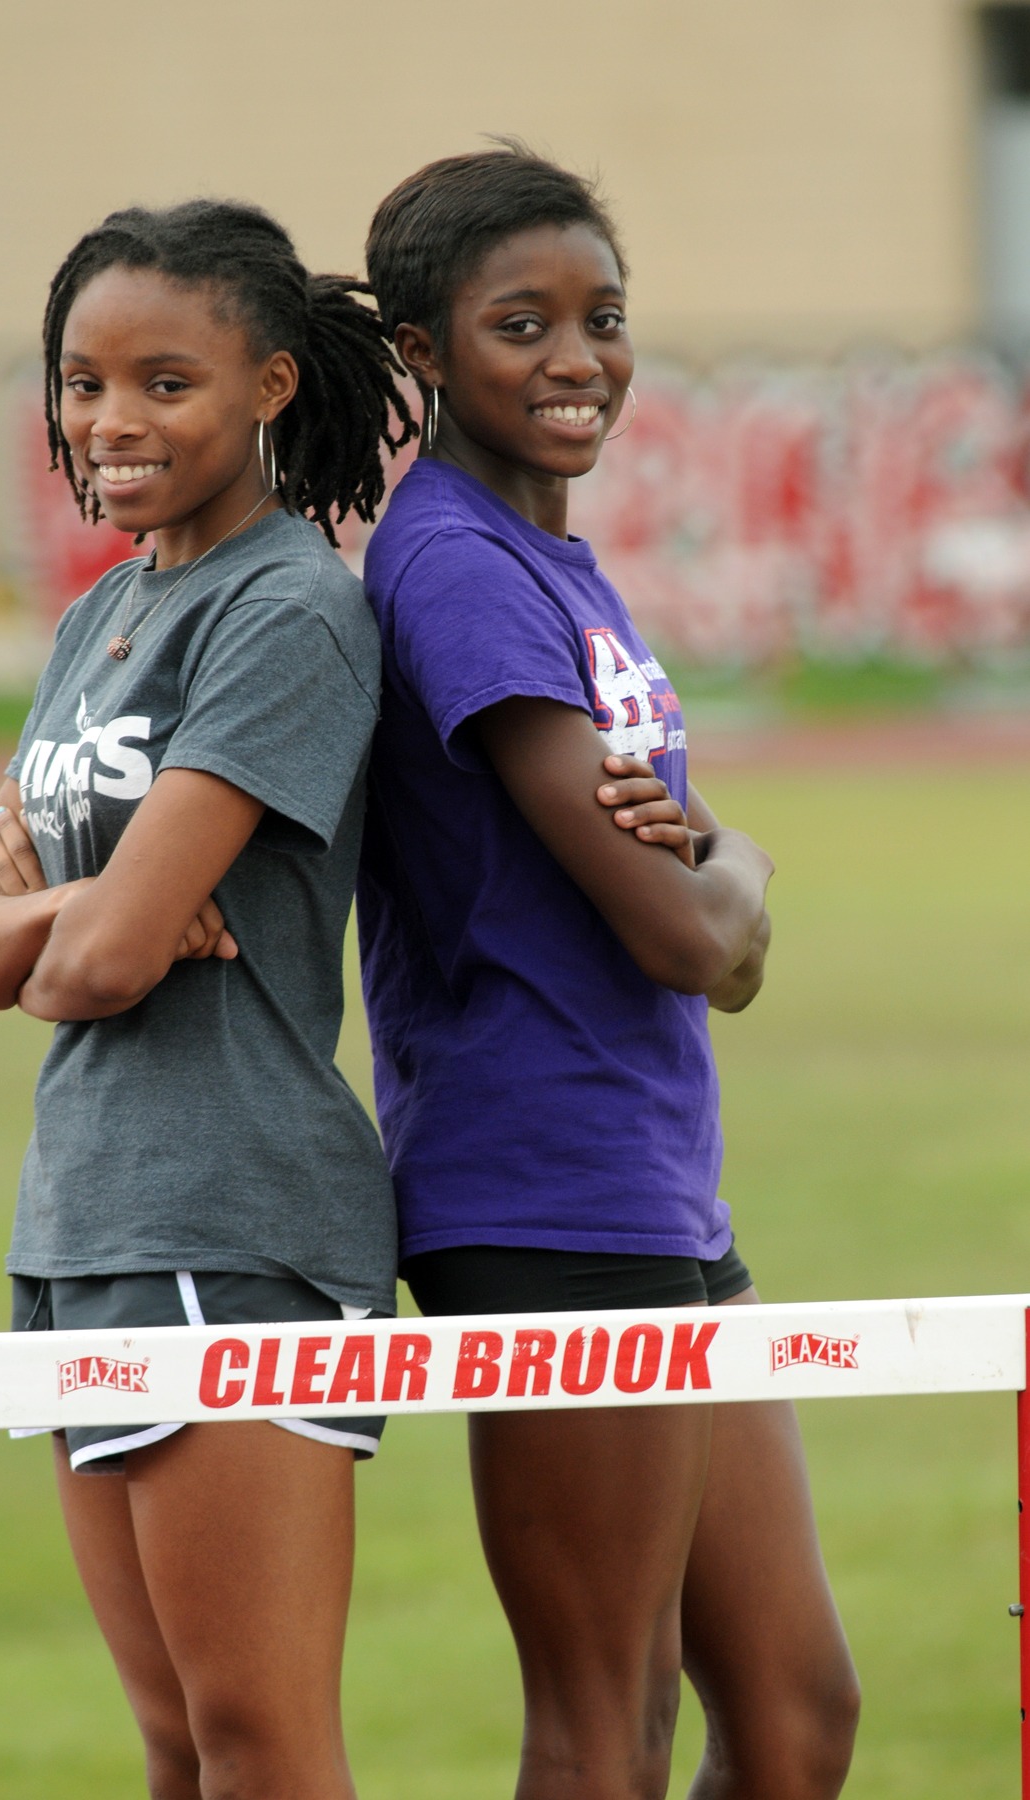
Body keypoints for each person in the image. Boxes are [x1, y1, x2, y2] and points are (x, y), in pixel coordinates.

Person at [355, 145, 860, 1800]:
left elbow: (722, 944)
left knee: (795, 1721)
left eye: (604, 317)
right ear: (423, 349)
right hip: (542, 1188)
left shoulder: (553, 560)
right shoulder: (450, 564)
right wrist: (746, 860)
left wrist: (723, 879)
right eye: (523, 324)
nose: (579, 360)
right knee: (608, 1728)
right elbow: (694, 930)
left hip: (657, 1186)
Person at [0, 198, 415, 1800]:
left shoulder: (287, 612)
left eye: (163, 381)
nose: (109, 422)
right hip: (82, 1222)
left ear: (269, 387)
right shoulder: (97, 614)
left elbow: (85, 970)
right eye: (79, 382)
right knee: (176, 1750)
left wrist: (68, 919)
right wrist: (95, 894)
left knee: (262, 1746)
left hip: (233, 1222)